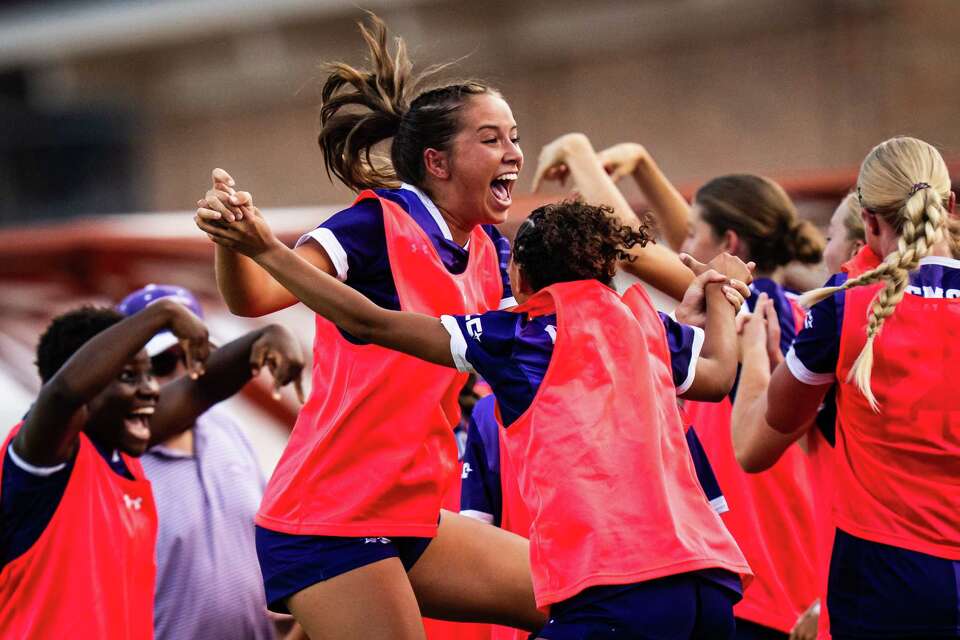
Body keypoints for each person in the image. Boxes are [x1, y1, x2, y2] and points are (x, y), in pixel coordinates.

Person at [196, 187, 755, 638]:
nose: (512, 152)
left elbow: (370, 322)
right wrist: (723, 298)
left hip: (618, 587)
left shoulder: (520, 335)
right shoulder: (645, 323)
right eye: (493, 137)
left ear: (521, 281)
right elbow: (716, 374)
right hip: (708, 580)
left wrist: (266, 248)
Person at [195, 13, 559, 638]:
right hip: (329, 516)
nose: (514, 153)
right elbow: (253, 296)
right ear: (437, 162)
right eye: (492, 139)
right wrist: (235, 240)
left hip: (409, 510)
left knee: (577, 598)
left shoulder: (490, 250)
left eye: (515, 137)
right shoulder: (373, 225)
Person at [760, 136, 960, 640]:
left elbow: (779, 418)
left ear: (868, 221)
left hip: (882, 568)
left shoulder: (846, 303)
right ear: (949, 205)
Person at [0, 299, 209, 638]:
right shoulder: (44, 459)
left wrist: (261, 340)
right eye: (128, 375)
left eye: (149, 373)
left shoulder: (119, 457)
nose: (151, 388)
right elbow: (64, 393)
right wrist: (163, 313)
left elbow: (205, 389)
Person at [117, 284, 305, 640]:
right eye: (162, 362)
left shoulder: (226, 428)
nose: (185, 373)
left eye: (195, 357)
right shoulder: (112, 462)